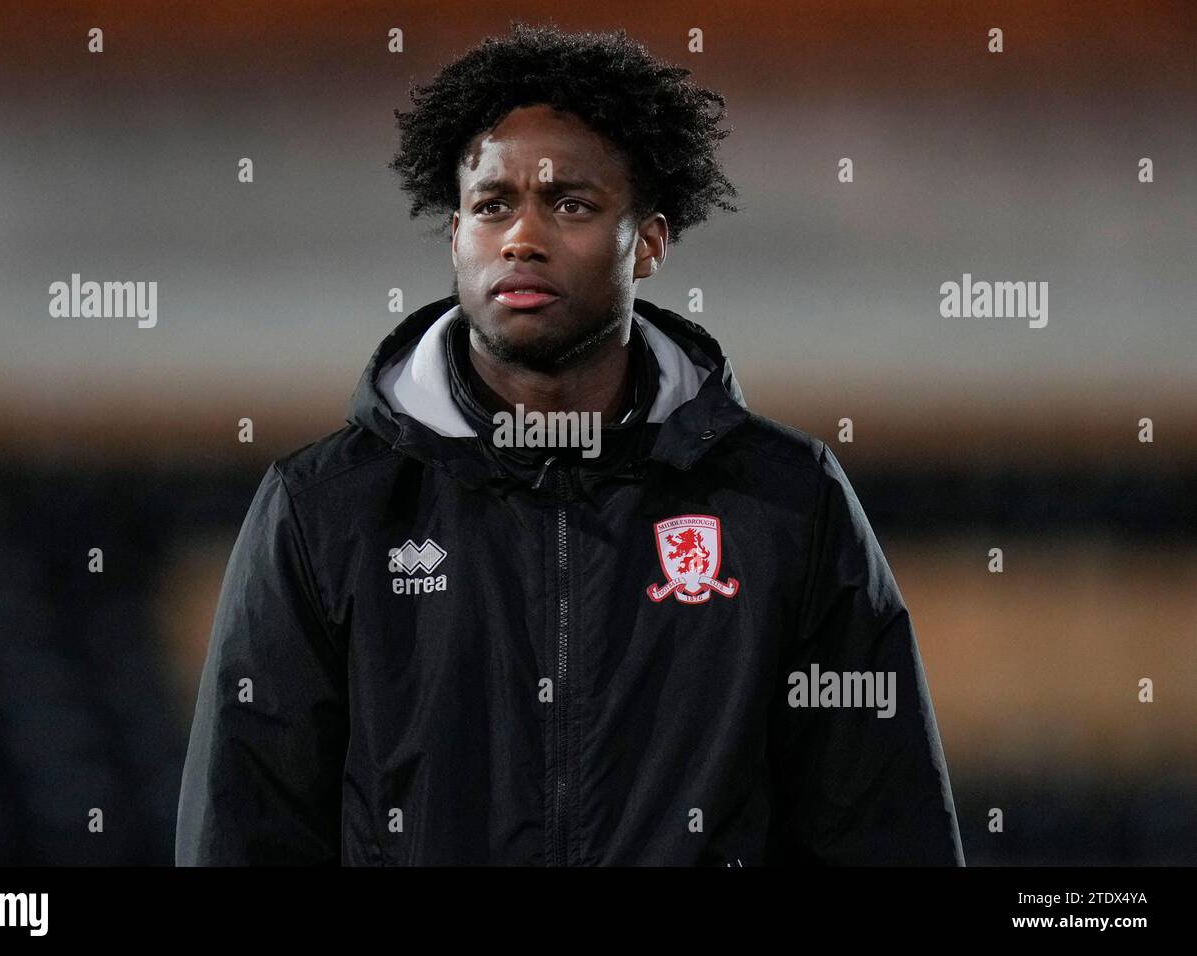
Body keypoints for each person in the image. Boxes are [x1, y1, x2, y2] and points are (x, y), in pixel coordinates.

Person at [175, 21, 965, 866]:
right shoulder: (326, 508)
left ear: (650, 241)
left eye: (570, 204)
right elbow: (245, 833)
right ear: (454, 238)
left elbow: (883, 829)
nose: (522, 236)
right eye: (492, 205)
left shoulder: (784, 500)